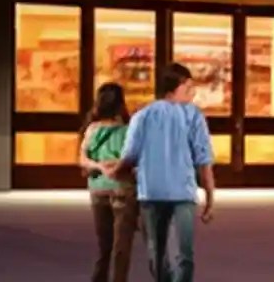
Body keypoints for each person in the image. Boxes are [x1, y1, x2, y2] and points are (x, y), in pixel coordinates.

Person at [107, 63, 215, 282]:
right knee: (185, 253)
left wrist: (114, 172)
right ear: (177, 87)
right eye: (189, 87)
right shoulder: (193, 116)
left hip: (151, 192)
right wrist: (210, 196)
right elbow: (203, 160)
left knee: (156, 250)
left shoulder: (142, 116)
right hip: (183, 192)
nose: (193, 93)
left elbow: (129, 156)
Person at [80, 82, 139, 282]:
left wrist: (99, 166)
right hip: (122, 190)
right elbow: (132, 160)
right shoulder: (128, 131)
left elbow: (82, 160)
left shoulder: (92, 129)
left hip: (98, 190)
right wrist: (116, 167)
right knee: (121, 248)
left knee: (103, 247)